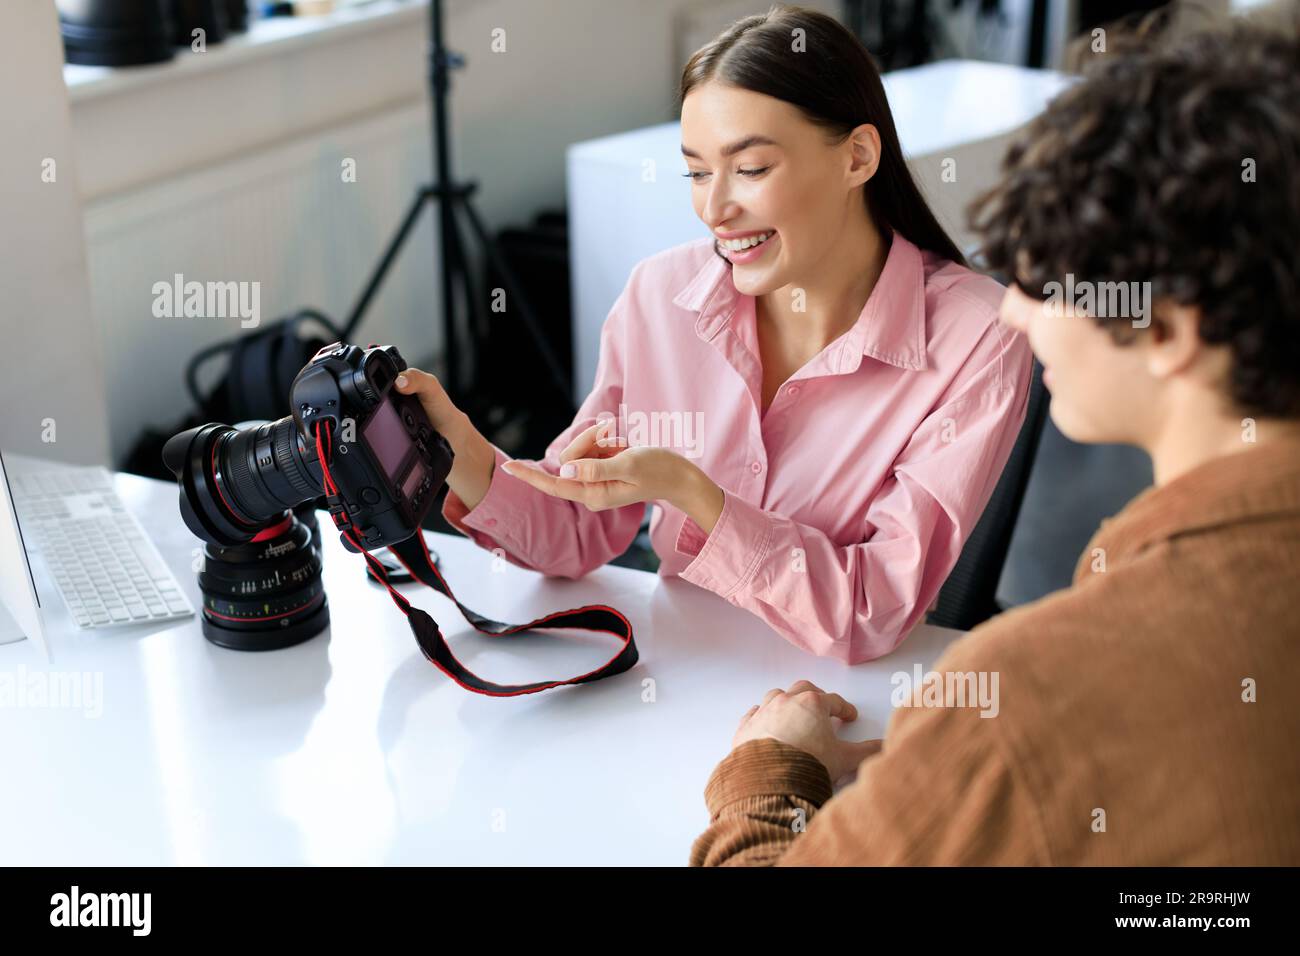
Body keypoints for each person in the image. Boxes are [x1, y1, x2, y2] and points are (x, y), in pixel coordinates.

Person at [689, 18, 1300, 866]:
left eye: (1044, 278)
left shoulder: (1045, 684)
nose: (1014, 310)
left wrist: (770, 770)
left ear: (1164, 329)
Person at [395, 5, 1032, 663]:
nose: (714, 209)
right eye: (697, 172)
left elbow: (871, 611)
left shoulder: (978, 336)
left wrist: (696, 496)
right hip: (678, 678)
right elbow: (575, 530)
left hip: (844, 701)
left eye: (750, 169)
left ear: (858, 156)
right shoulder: (658, 297)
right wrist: (462, 450)